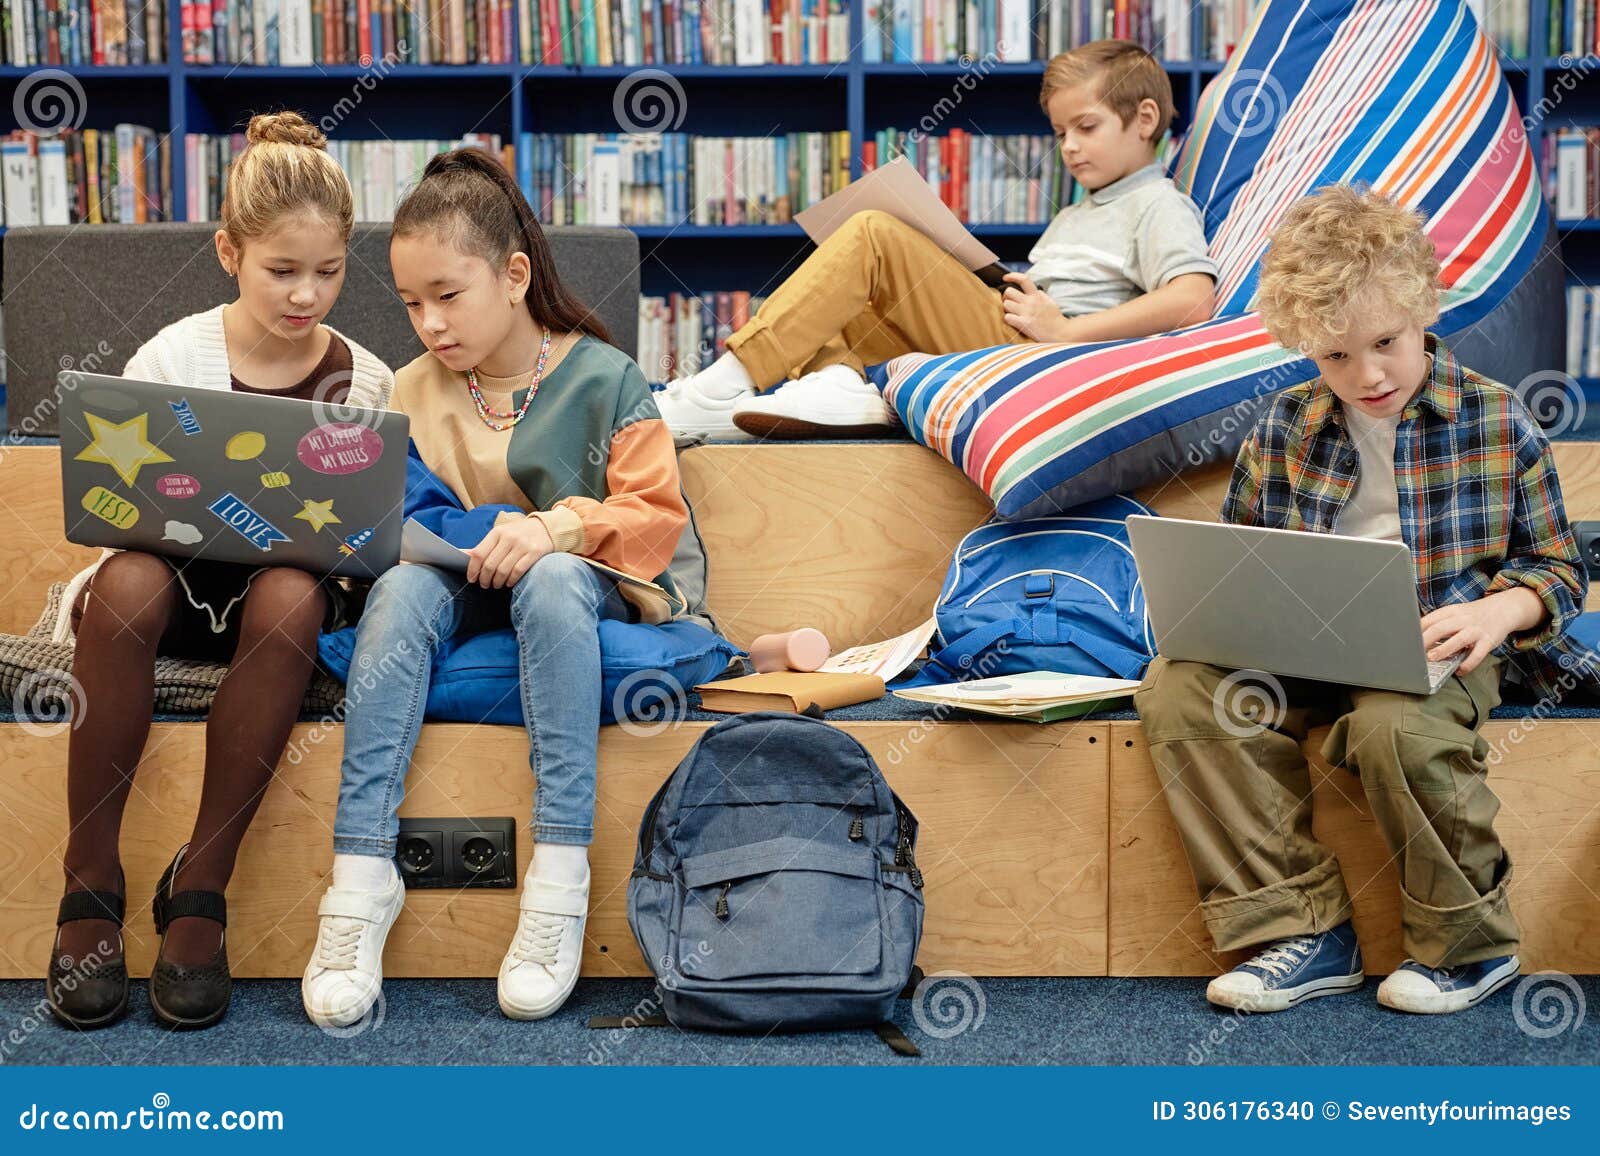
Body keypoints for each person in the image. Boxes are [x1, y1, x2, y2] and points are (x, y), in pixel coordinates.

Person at [1133, 184, 1587, 1015]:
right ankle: (1302, 930)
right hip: (1307, 648)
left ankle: (1466, 943)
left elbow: (1558, 568)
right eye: (1335, 356)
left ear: (1423, 310)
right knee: (1178, 687)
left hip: (1444, 650)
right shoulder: (1284, 425)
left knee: (1392, 726)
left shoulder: (1496, 418)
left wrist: (1496, 612)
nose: (1366, 375)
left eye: (1385, 343)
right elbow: (1242, 555)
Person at [300, 147, 688, 1029]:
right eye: (409, 303)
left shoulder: (603, 375)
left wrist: (552, 528)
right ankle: (358, 885)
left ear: (514, 275)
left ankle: (559, 876)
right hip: (454, 583)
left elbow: (655, 514)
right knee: (399, 590)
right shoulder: (408, 390)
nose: (429, 322)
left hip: (576, 581)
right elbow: (395, 524)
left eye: (448, 295)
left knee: (549, 582)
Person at [46, 111, 394, 1031]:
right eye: (282, 271)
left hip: (278, 602)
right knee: (127, 583)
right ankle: (91, 875)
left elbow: (365, 536)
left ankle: (200, 881)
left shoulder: (369, 383)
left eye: (328, 272)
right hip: (165, 589)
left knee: (289, 598)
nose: (306, 296)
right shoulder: (171, 355)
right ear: (228, 252)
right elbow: (110, 513)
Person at [655, 39, 1217, 444]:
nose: (1069, 147)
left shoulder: (1157, 204)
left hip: (1037, 357)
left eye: (1086, 127)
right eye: (1059, 132)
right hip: (1011, 336)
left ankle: (722, 385)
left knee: (874, 234)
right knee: (853, 299)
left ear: (1144, 119)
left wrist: (1066, 329)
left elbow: (1193, 299)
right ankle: (845, 390)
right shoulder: (1078, 212)